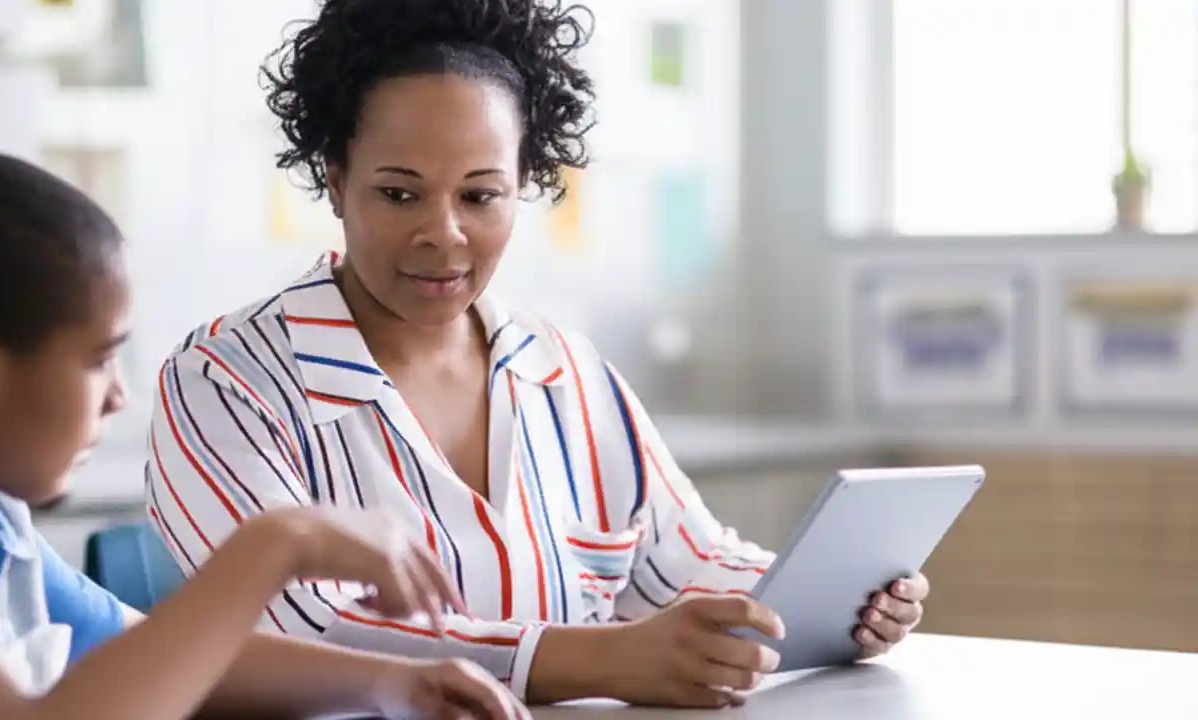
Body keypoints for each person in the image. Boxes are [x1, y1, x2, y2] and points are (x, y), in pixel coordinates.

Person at [147, 0, 930, 707]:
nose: (443, 233)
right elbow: (303, 637)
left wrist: (834, 605)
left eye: (480, 195)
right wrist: (600, 660)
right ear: (335, 178)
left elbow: (688, 561)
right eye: (399, 193)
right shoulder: (224, 382)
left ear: (523, 184)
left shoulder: (564, 371)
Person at [0, 152, 528, 720]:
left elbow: (155, 659)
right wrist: (275, 545)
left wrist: (391, 680)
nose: (117, 395)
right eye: (99, 360)